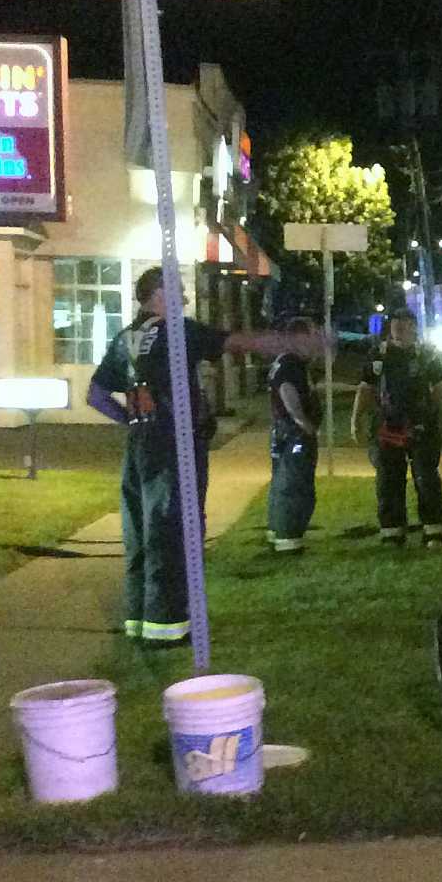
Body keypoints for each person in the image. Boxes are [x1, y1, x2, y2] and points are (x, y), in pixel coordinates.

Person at [87, 267, 324, 646]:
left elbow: (96, 395)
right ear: (158, 293)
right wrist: (289, 342)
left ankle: (137, 618)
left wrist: (132, 421)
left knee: (140, 531)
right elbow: (238, 342)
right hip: (175, 447)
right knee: (173, 532)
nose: (184, 298)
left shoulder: (125, 339)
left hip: (140, 447)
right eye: (178, 291)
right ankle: (166, 627)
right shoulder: (178, 332)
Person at [353, 307, 442, 548]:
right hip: (387, 426)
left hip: (421, 425)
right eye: (395, 322)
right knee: (389, 479)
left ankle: (433, 529)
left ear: (413, 327)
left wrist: (441, 420)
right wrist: (356, 420)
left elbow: (439, 389)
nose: (398, 327)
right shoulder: (379, 355)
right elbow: (365, 389)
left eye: (404, 323)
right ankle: (392, 530)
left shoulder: (426, 355)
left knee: (426, 477)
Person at [266, 316, 321, 554]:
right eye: (312, 335)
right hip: (294, 434)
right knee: (295, 484)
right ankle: (288, 539)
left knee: (283, 482)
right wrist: (303, 422)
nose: (316, 340)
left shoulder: (285, 362)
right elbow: (287, 390)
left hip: (285, 432)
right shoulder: (291, 364)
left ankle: (278, 531)